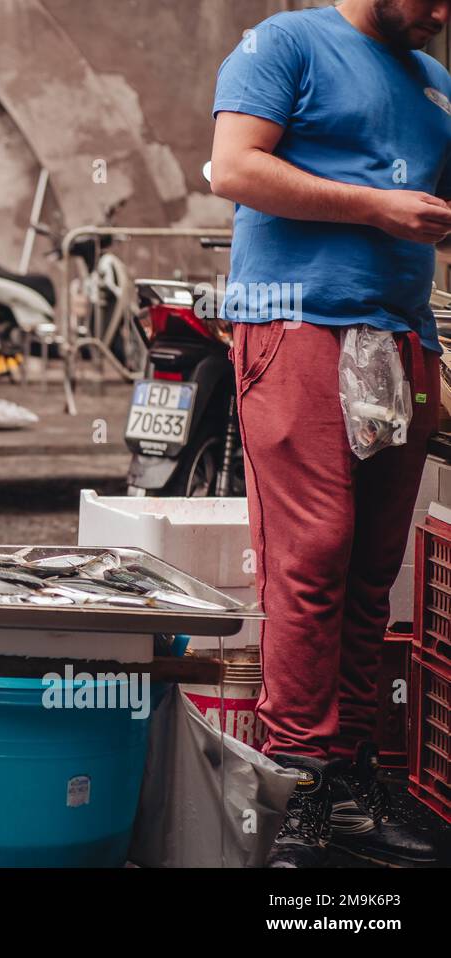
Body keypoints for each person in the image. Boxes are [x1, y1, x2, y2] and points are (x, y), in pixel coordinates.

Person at [211, 0, 451, 867]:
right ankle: (297, 783)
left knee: (372, 568)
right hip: (296, 321)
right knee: (314, 550)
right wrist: (375, 209)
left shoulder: (436, 85)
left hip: (403, 337)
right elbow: (232, 169)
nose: (439, 13)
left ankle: (350, 780)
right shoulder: (284, 43)